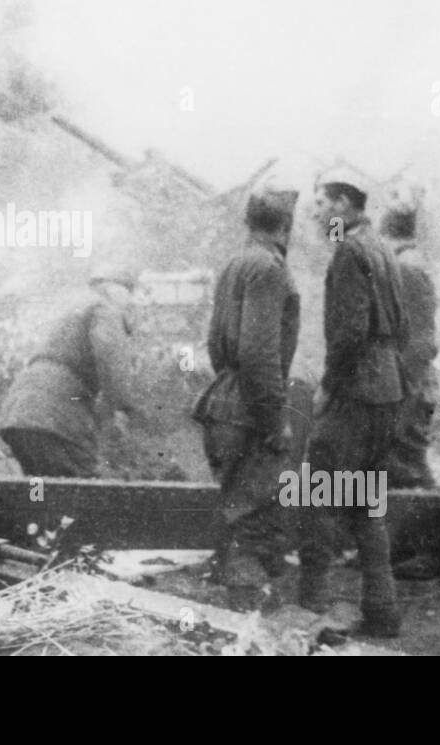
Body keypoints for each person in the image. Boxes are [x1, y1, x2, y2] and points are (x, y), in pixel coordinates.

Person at [298, 169, 408, 637]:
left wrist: (329, 386)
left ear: (343, 204)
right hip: (387, 389)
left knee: (316, 493)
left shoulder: (348, 251)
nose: (316, 212)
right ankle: (382, 611)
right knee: (365, 502)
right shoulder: (382, 247)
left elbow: (347, 334)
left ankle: (310, 604)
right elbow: (399, 326)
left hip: (355, 391)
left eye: (321, 203)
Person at [192, 186, 301, 590]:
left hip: (227, 399)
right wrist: (274, 420)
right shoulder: (268, 268)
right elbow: (258, 353)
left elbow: (216, 341)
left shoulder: (236, 263)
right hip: (250, 409)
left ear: (248, 222)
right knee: (253, 520)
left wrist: (235, 389)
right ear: (286, 226)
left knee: (236, 507)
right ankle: (249, 629)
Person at [0, 266, 142, 478]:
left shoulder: (73, 311)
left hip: (19, 414)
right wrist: (124, 408)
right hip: (55, 418)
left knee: (40, 488)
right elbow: (111, 364)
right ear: (117, 291)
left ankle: (38, 508)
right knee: (81, 492)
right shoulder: (104, 310)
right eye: (130, 294)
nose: (131, 303)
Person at [380, 198, 438, 490]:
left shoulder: (405, 268)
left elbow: (417, 339)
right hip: (408, 376)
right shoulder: (407, 263)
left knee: (404, 461)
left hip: (407, 379)